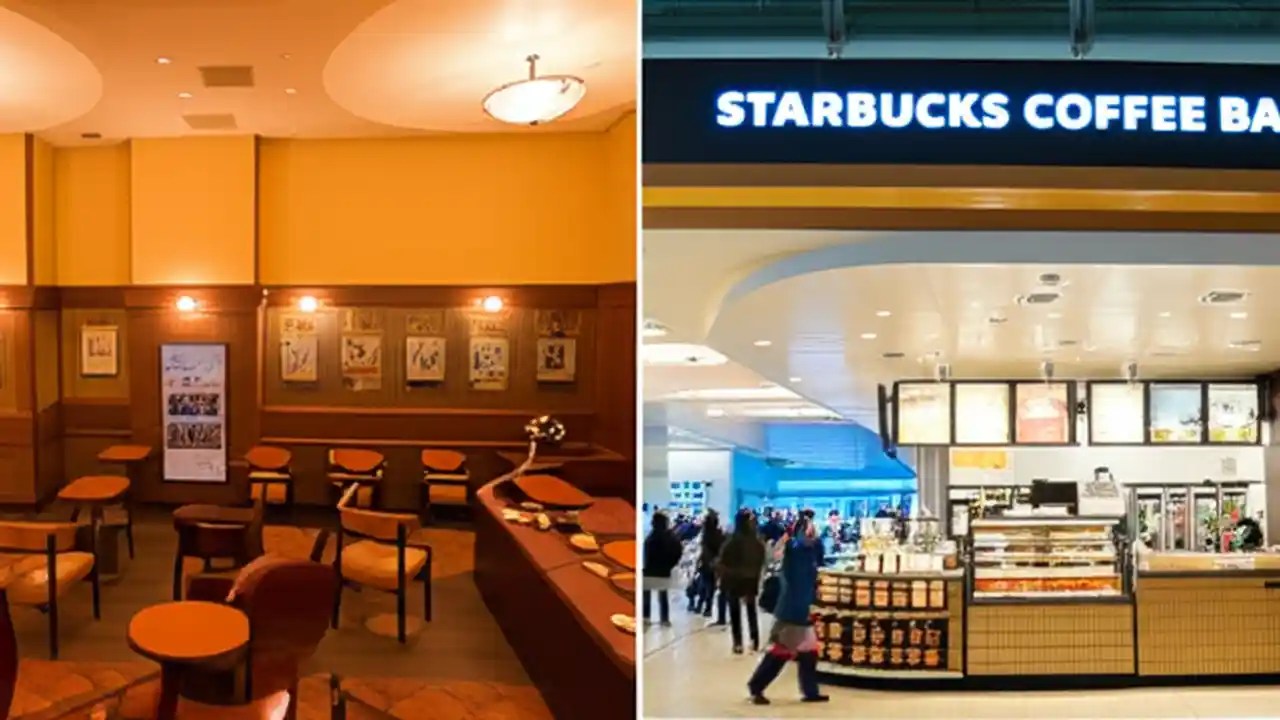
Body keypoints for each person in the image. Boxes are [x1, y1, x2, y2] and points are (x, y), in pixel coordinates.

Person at [747, 515, 829, 706]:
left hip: (802, 610)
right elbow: (781, 553)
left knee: (809, 653)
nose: (813, 533)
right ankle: (756, 686)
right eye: (809, 529)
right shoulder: (794, 550)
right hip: (793, 612)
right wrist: (789, 537)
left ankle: (810, 691)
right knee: (780, 653)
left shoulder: (808, 552)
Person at [717, 508, 766, 654]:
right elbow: (761, 560)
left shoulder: (732, 541)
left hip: (734, 579)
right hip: (751, 579)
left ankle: (738, 643)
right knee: (751, 610)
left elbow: (723, 559)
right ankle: (754, 639)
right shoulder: (757, 541)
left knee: (735, 611)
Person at [642, 512, 683, 626]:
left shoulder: (651, 537)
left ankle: (646, 617)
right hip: (664, 571)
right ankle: (664, 619)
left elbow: (646, 556)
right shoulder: (671, 537)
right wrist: (671, 564)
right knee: (663, 595)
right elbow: (678, 551)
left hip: (649, 570)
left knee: (646, 595)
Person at [696, 510, 726, 621]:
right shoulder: (719, 534)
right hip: (715, 563)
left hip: (705, 562)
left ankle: (699, 605)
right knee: (711, 586)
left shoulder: (704, 535)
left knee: (703, 584)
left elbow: (702, 550)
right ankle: (708, 608)